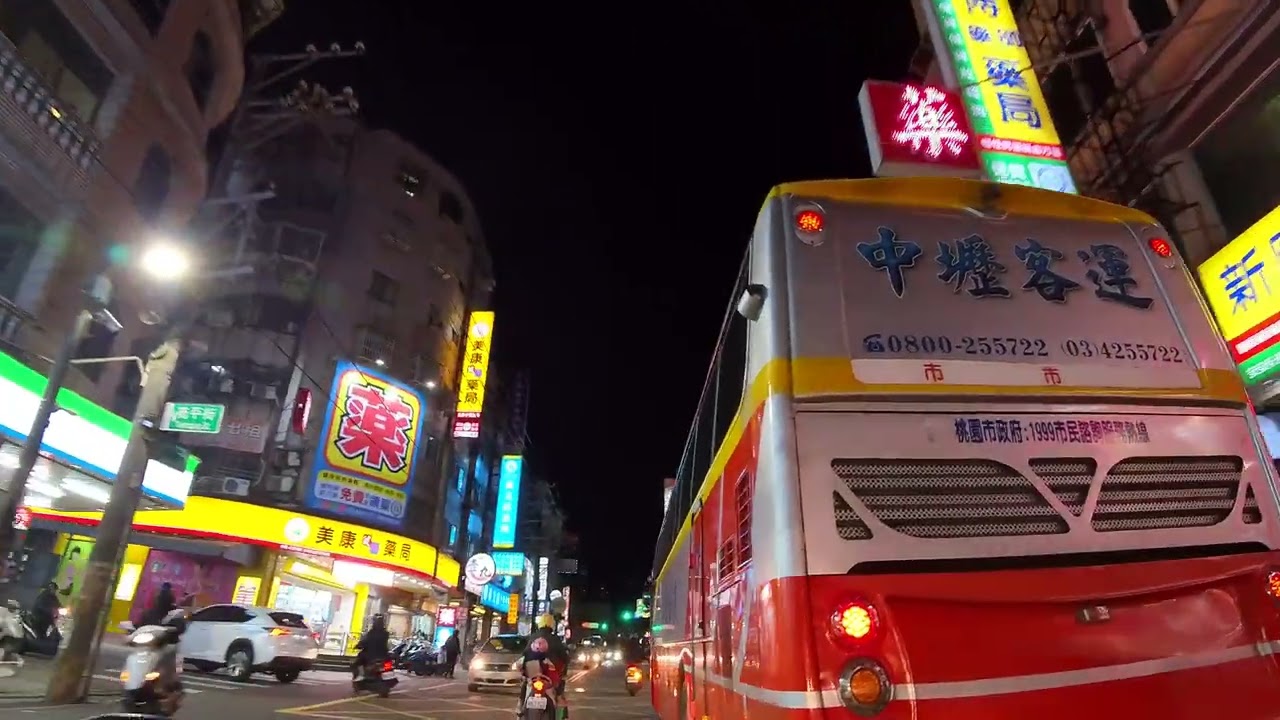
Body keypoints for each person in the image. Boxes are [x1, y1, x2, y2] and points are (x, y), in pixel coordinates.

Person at [517, 614, 570, 717]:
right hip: (550, 676)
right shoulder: (555, 639)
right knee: (560, 686)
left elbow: (524, 654)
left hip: (533, 674)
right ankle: (560, 706)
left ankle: (520, 702)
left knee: (525, 682)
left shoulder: (533, 637)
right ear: (552, 625)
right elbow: (565, 658)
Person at [352, 614, 390, 680]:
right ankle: (361, 676)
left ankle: (360, 676)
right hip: (383, 655)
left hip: (370, 655)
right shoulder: (385, 633)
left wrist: (359, 645)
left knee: (356, 663)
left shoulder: (372, 633)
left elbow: (365, 641)